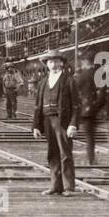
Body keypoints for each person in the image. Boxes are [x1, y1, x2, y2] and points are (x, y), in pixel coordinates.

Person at [32, 52, 78, 196]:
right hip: (47, 120)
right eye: (50, 62)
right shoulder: (42, 83)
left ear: (62, 64)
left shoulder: (69, 81)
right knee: (52, 154)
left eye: (56, 61)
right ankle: (55, 186)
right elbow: (38, 106)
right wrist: (36, 126)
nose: (53, 64)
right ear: (47, 64)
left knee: (65, 153)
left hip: (62, 121)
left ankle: (68, 187)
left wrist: (73, 124)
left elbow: (77, 106)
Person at [72, 57, 104, 166]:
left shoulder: (81, 76)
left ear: (85, 62)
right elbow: (102, 94)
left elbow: (75, 92)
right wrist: (96, 107)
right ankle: (91, 159)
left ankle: (88, 159)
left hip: (82, 110)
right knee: (90, 137)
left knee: (71, 133)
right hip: (92, 111)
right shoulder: (97, 75)